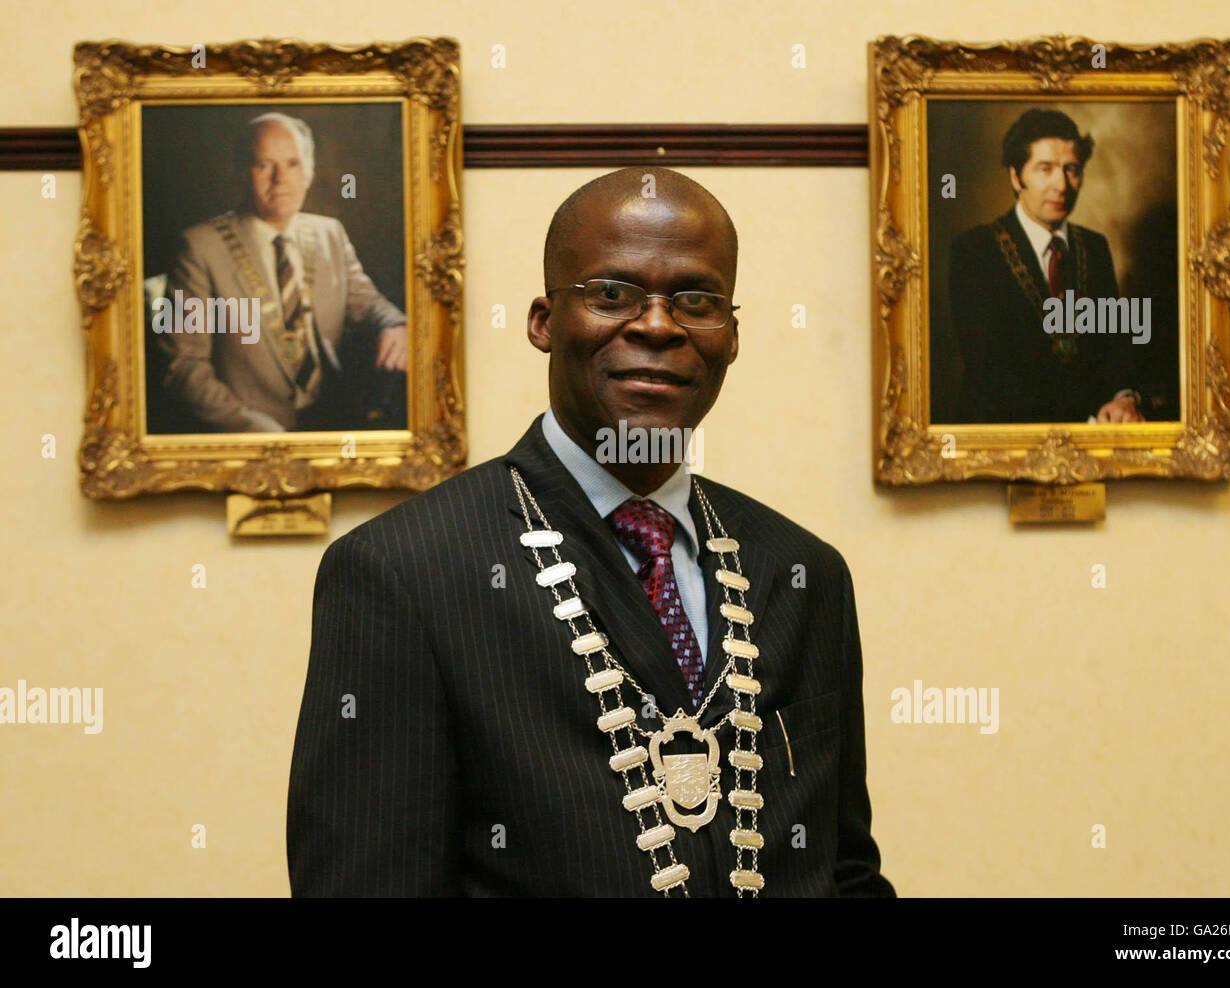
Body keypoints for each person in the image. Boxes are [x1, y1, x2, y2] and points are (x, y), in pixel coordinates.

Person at [287, 166, 894, 897]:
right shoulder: (402, 573)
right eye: (613, 294)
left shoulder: (801, 572)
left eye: (696, 300)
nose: (659, 325)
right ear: (544, 322)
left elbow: (845, 870)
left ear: (731, 336)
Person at [158, 112, 408, 432]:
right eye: (264, 165)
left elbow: (367, 302)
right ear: (239, 172)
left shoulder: (330, 233)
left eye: (293, 164)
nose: (280, 179)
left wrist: (394, 323)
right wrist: (255, 429)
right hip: (248, 437)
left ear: (309, 172)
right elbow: (182, 368)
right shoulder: (199, 248)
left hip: (334, 425)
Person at [949, 109, 1146, 424]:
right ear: (1016, 177)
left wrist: (1122, 397)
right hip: (1000, 441)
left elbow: (1113, 345)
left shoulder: (1094, 248)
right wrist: (1084, 417)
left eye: (1072, 169)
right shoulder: (975, 251)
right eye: (1045, 169)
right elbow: (990, 372)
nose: (1062, 185)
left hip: (1088, 439)